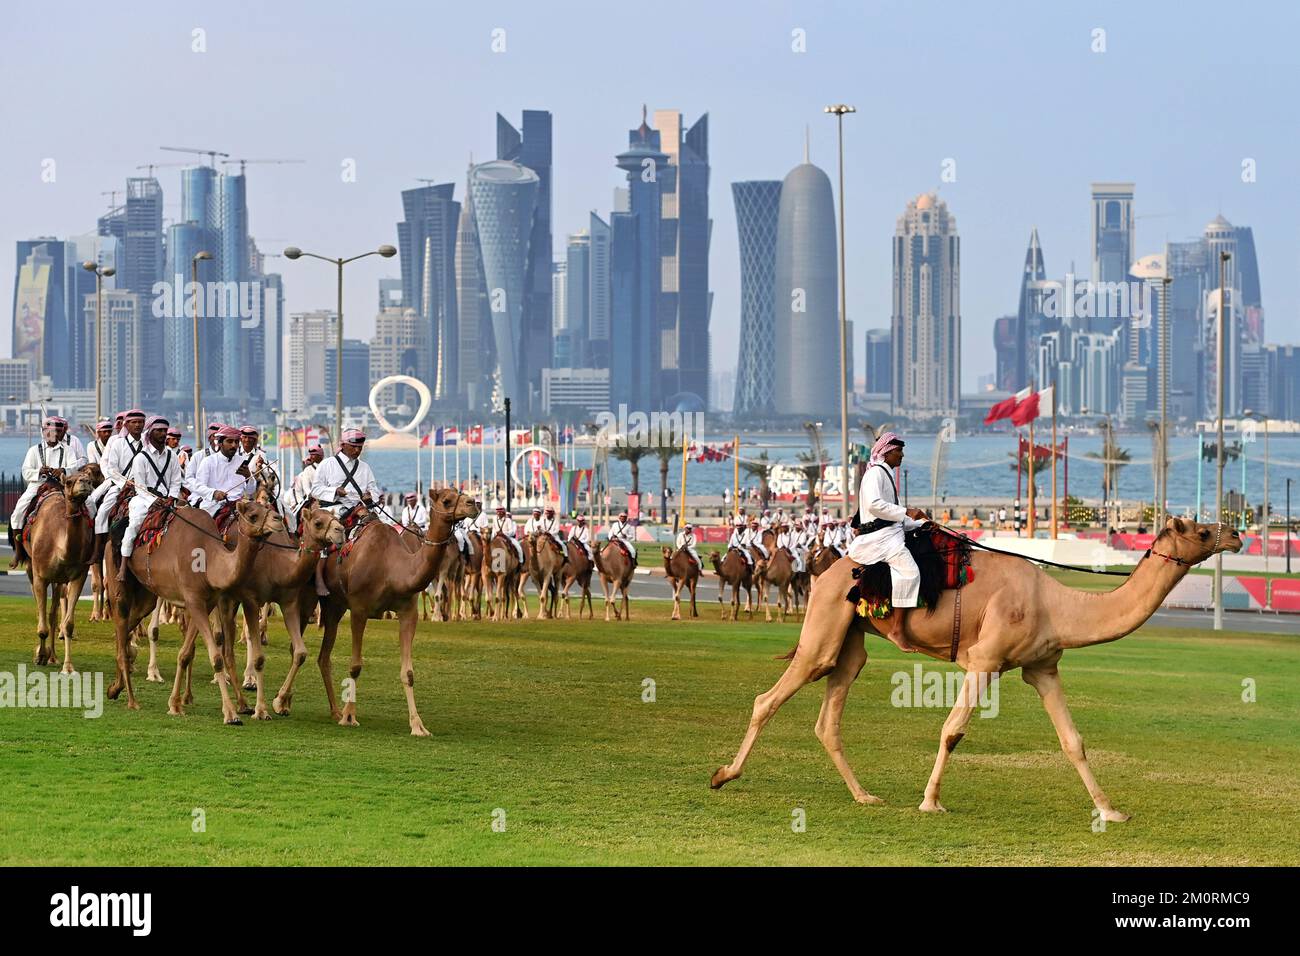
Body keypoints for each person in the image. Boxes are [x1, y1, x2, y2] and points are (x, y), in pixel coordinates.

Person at [847, 432, 929, 654]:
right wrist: (907, 511)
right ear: (887, 452)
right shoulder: (876, 473)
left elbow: (894, 517)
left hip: (889, 533)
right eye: (898, 451)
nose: (902, 456)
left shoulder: (885, 474)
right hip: (879, 540)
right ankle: (897, 629)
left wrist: (920, 524)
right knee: (911, 572)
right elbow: (874, 505)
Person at [117, 416, 182, 581]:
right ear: (150, 433)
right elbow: (140, 487)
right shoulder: (141, 458)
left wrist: (171, 497)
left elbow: (176, 481)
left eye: (164, 431)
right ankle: (124, 566)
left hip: (168, 500)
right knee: (133, 526)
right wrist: (153, 501)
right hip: (144, 500)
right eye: (159, 431)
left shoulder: (172, 457)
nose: (163, 434)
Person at [9, 419, 72, 565]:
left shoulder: (68, 450)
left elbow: (75, 466)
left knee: (89, 504)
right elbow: (26, 471)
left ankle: (90, 545)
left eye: (56, 431)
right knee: (17, 512)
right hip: (38, 485)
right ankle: (19, 552)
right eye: (49, 431)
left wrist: (63, 470)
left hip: (62, 485)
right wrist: (39, 471)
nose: (52, 434)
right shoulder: (34, 450)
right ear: (43, 433)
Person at [91, 409, 146, 537]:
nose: (137, 425)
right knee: (102, 510)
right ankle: (98, 547)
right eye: (134, 422)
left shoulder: (148, 444)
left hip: (144, 487)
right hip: (119, 483)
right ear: (126, 425)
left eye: (140, 422)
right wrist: (124, 483)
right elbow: (110, 468)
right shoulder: (117, 442)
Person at [190, 425, 254, 519]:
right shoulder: (208, 461)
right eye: (229, 441)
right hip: (214, 506)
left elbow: (251, 491)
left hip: (239, 506)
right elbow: (198, 487)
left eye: (236, 442)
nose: (234, 445)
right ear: (220, 443)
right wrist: (214, 493)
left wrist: (248, 477)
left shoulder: (241, 461)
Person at [283, 443, 323, 532]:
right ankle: (294, 530)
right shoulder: (307, 471)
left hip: (325, 496)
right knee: (296, 514)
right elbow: (304, 488)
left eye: (314, 455)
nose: (311, 459)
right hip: (311, 497)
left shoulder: (326, 467)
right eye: (310, 456)